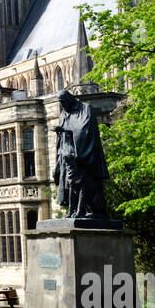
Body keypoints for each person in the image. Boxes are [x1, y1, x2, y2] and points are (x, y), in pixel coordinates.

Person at [53, 90, 110, 219]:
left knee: (86, 185)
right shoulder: (64, 113)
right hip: (67, 155)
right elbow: (62, 135)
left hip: (82, 155)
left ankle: (91, 211)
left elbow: (85, 129)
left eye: (63, 103)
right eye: (60, 104)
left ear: (69, 99)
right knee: (69, 186)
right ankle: (73, 211)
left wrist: (66, 130)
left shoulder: (85, 108)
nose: (62, 106)